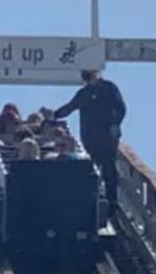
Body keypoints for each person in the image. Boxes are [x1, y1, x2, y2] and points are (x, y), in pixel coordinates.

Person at [50, 69, 126, 216]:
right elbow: (69, 107)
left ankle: (112, 202)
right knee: (93, 168)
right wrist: (53, 115)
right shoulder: (83, 93)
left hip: (107, 136)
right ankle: (94, 199)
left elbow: (121, 108)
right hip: (90, 138)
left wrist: (115, 124)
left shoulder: (109, 87)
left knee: (109, 167)